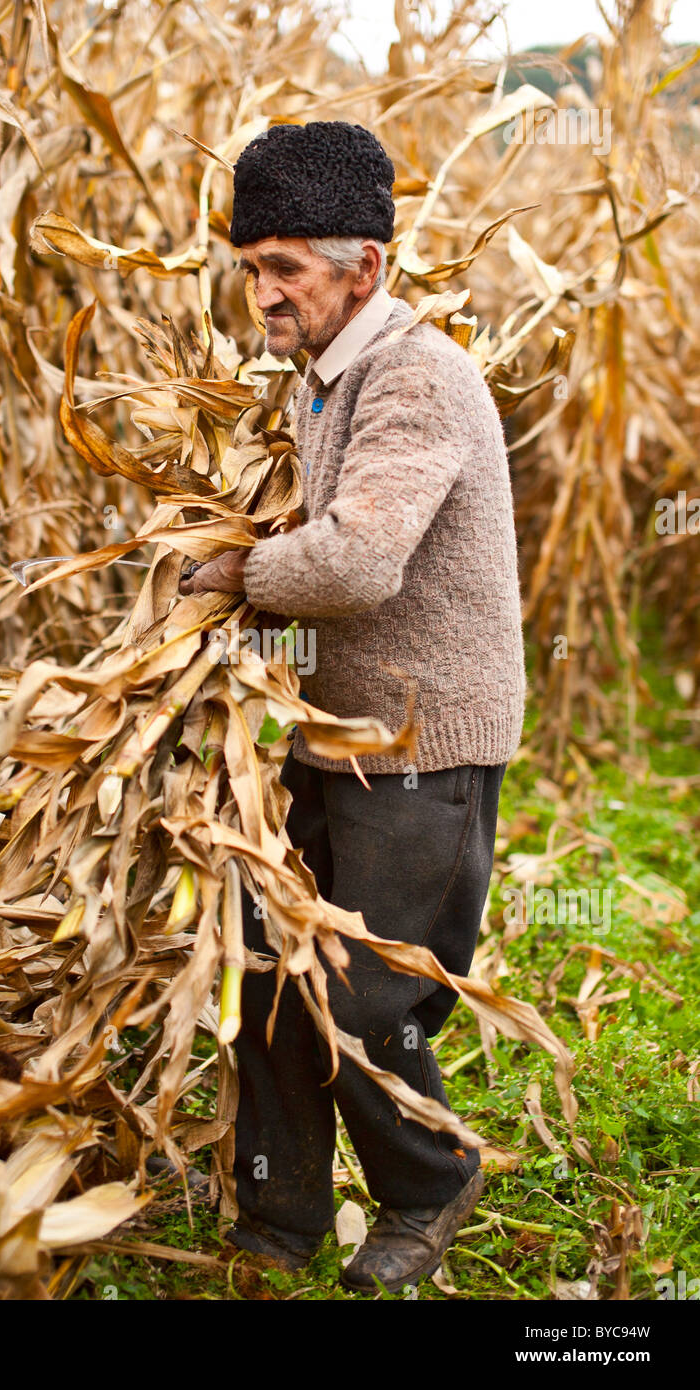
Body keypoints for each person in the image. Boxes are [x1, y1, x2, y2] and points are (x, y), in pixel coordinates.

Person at [178, 121, 526, 1293]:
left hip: (422, 743)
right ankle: (278, 1218)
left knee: (369, 995)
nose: (261, 293)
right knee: (275, 971)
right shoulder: (324, 382)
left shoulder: (414, 374)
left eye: (284, 267)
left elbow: (354, 564)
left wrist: (233, 574)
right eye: (250, 267)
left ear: (362, 268)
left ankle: (430, 1186)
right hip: (334, 736)